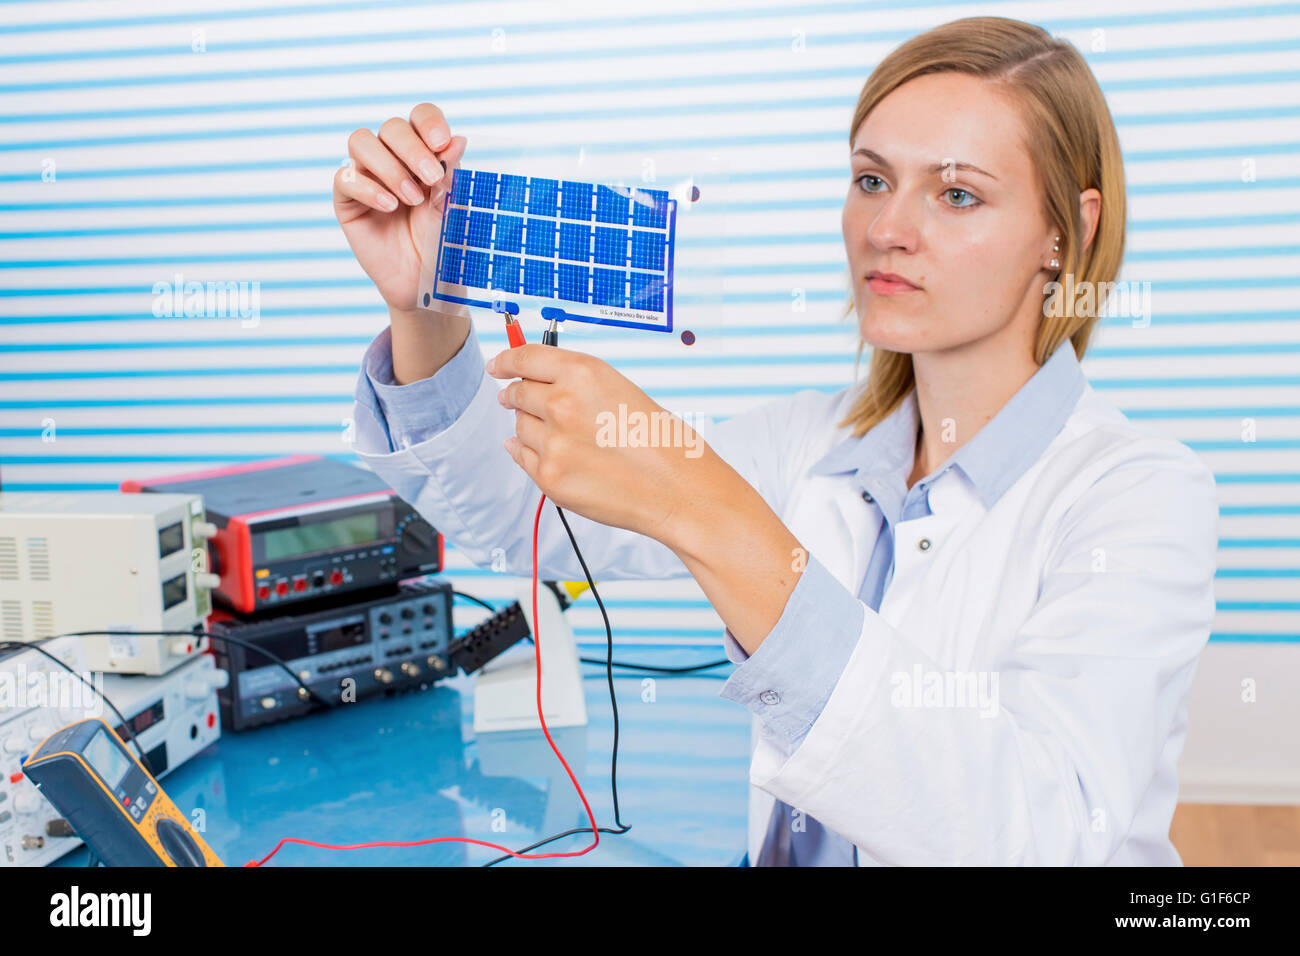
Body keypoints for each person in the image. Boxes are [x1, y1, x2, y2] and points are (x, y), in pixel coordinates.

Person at [335, 16, 1219, 865]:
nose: (887, 229)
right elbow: (513, 518)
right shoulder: (808, 442)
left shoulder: (1140, 497)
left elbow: (1034, 837)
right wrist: (425, 308)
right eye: (873, 180)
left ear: (1069, 233)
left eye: (956, 194)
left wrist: (709, 511)